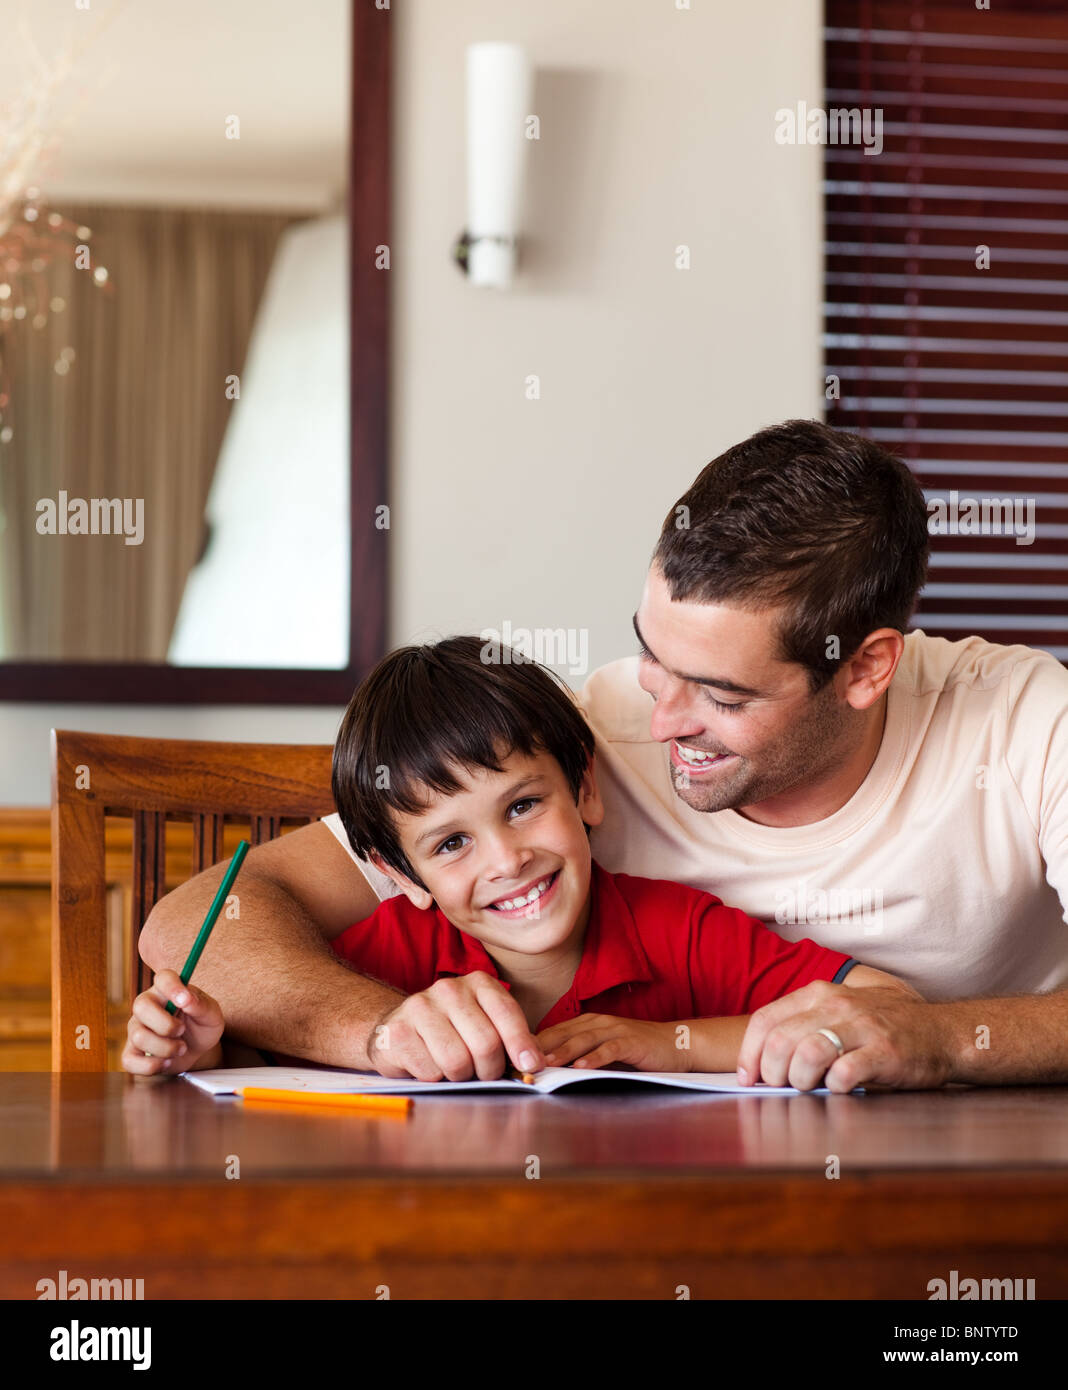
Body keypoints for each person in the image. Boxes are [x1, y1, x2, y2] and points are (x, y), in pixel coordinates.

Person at [137, 419, 1068, 1091]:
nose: (661, 723)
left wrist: (943, 1040)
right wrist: (378, 1030)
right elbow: (192, 925)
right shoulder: (572, 744)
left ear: (866, 670)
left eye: (723, 695)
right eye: (656, 657)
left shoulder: (1027, 722)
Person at [123, 636, 912, 1083]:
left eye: (524, 805)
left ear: (586, 792)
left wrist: (670, 1041)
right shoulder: (383, 963)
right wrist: (202, 1047)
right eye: (451, 843)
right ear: (401, 875)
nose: (508, 859)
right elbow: (264, 1058)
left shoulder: (683, 929)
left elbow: (890, 1006)